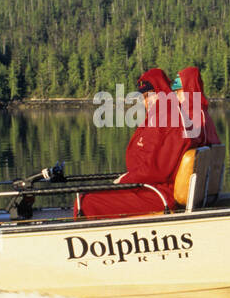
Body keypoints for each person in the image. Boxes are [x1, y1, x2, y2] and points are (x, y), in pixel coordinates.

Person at [77, 69, 193, 219]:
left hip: (158, 193)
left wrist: (125, 180)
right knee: (89, 196)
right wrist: (128, 177)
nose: (147, 101)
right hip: (148, 187)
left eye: (151, 95)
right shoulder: (161, 117)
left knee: (85, 201)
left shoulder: (170, 119)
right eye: (144, 97)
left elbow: (156, 170)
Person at [173, 66, 220, 147]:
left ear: (188, 90)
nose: (176, 96)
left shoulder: (191, 115)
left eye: (178, 91)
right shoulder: (203, 113)